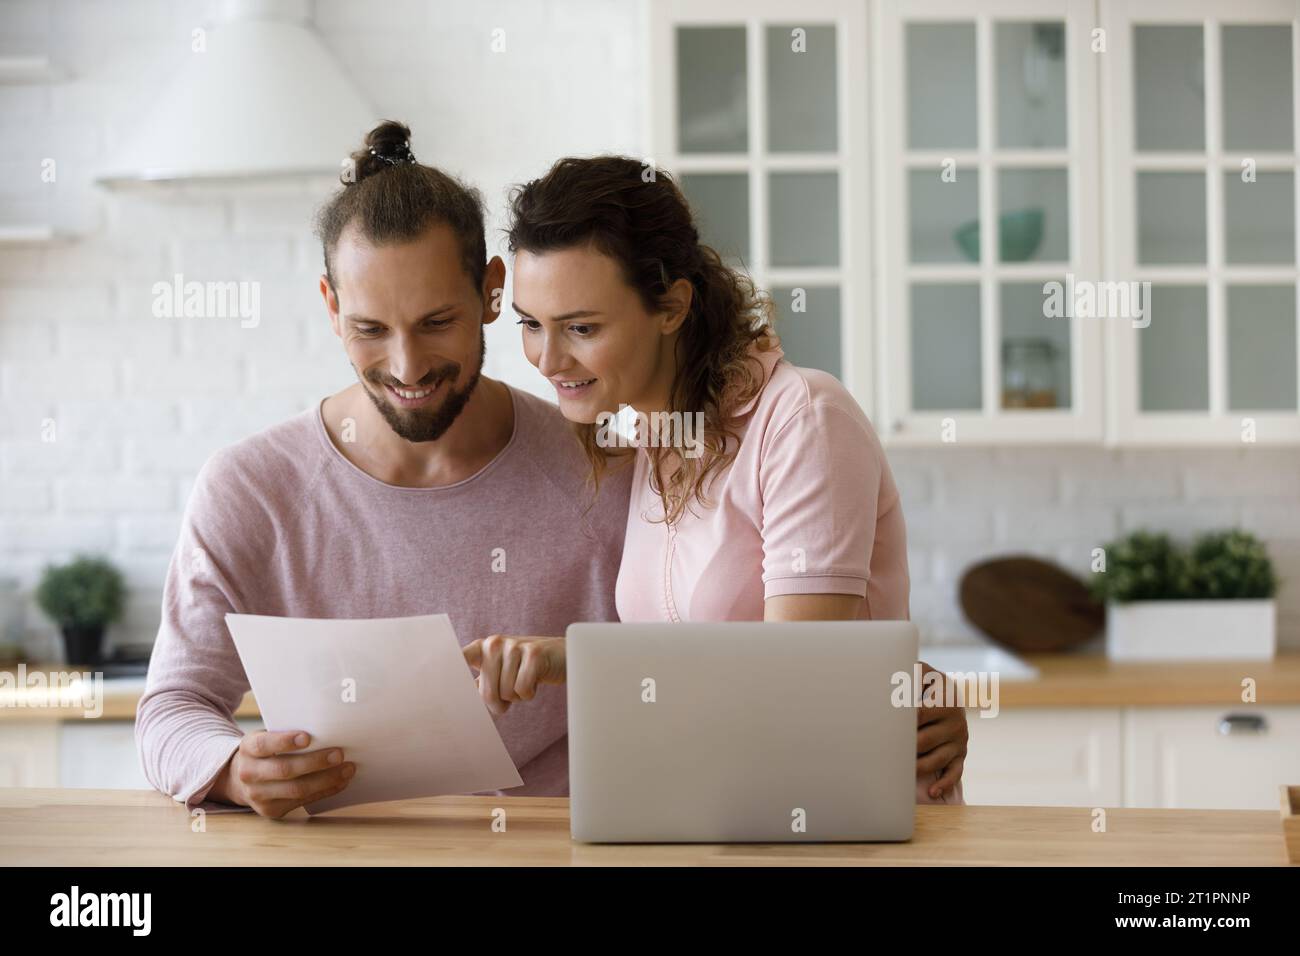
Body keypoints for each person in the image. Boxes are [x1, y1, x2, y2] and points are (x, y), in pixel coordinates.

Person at [135, 122, 630, 819]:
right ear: (332, 308)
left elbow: (678, 675)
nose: (407, 367)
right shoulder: (251, 490)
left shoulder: (605, 464)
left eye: (436, 323)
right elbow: (172, 709)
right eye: (370, 330)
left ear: (493, 292)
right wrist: (232, 769)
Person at [468, 156, 967, 803]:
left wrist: (572, 660)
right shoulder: (649, 439)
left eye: (582, 328)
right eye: (531, 325)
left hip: (850, 822)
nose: (547, 358)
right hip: (725, 817)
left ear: (672, 305)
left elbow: (801, 676)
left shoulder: (802, 419)